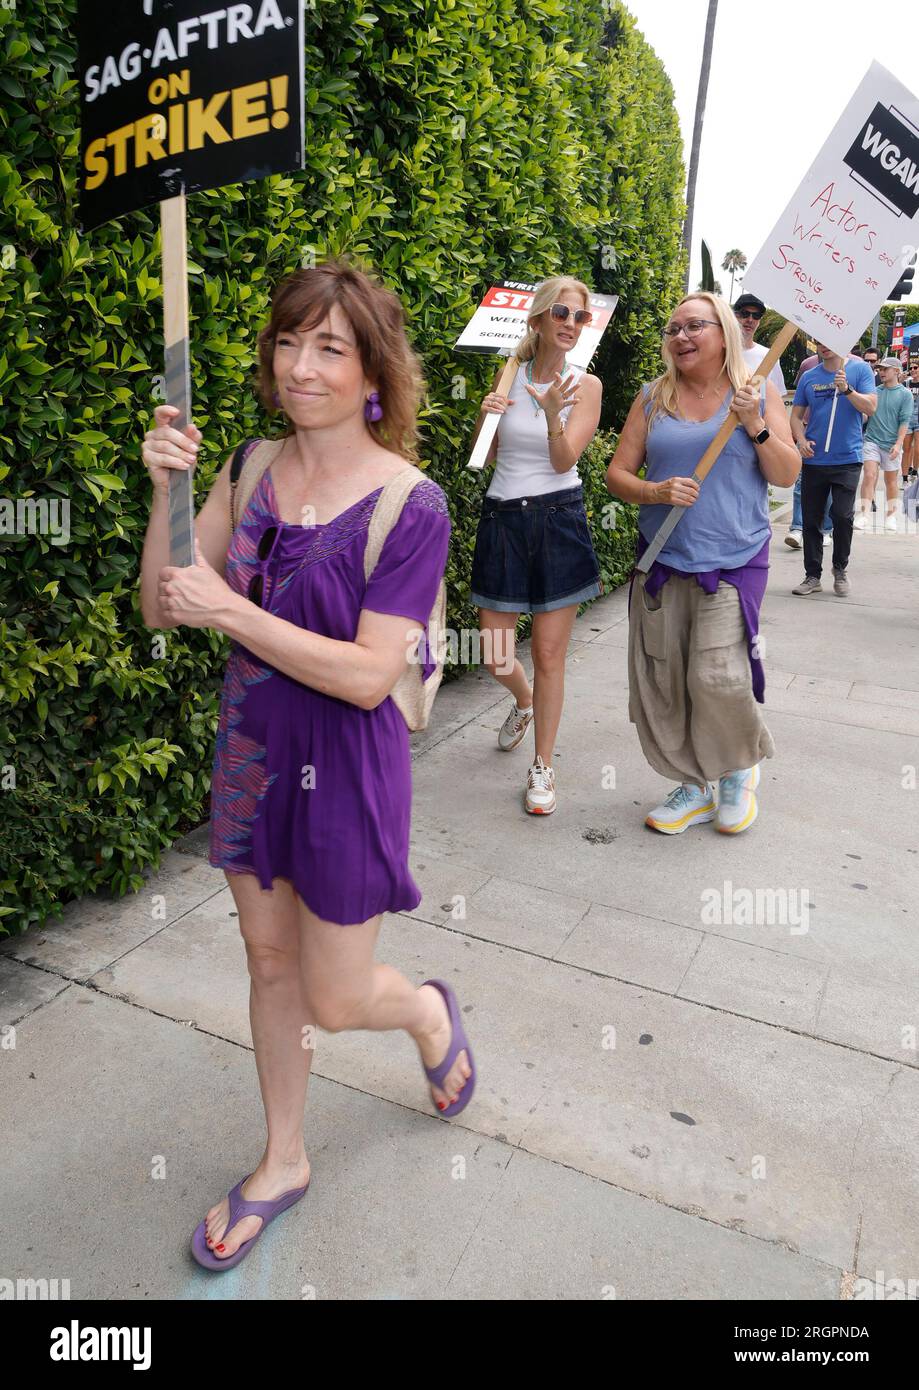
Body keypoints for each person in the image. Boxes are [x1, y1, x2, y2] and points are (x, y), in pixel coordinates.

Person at [140, 259, 474, 1271]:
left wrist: (233, 612)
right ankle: (283, 1157)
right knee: (270, 962)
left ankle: (425, 1012)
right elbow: (162, 603)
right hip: (252, 751)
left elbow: (370, 677)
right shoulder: (246, 468)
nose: (299, 366)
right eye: (287, 342)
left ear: (373, 371)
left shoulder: (412, 504)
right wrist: (165, 494)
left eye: (329, 347)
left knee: (335, 994)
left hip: (348, 765)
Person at [606, 292, 799, 835]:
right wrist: (655, 491)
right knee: (663, 682)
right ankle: (691, 786)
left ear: (724, 332)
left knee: (718, 676)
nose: (681, 336)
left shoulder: (756, 391)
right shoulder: (653, 397)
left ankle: (737, 768)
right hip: (663, 560)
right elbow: (617, 474)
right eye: (672, 329)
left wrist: (754, 423)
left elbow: (786, 473)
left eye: (694, 326)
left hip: (734, 559)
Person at [468, 275, 602, 816]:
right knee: (494, 652)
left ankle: (543, 764)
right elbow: (485, 456)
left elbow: (564, 460)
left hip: (558, 519)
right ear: (540, 318)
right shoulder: (509, 374)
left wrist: (551, 413)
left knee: (548, 655)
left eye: (580, 316)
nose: (571, 324)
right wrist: (486, 415)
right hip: (503, 518)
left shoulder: (585, 386)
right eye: (562, 313)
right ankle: (523, 701)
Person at [790, 343, 876, 596]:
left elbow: (871, 407)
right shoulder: (809, 376)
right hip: (814, 460)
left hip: (848, 458)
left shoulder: (860, 370)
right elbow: (795, 416)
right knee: (811, 520)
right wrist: (801, 441)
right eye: (819, 342)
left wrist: (847, 389)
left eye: (829, 341)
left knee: (842, 516)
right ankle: (812, 576)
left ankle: (840, 568)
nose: (824, 346)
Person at [854, 356, 913, 531]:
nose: (881, 372)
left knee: (891, 481)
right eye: (879, 369)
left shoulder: (905, 394)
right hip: (871, 440)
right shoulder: (874, 392)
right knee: (869, 475)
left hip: (892, 444)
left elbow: (904, 421)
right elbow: (866, 413)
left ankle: (891, 516)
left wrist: (899, 443)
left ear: (896, 371)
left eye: (885, 369)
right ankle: (864, 514)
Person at [733, 292, 786, 397]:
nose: (750, 320)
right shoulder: (718, 352)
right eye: (745, 313)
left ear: (759, 321)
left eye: (756, 316)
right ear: (734, 316)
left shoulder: (769, 356)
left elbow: (777, 398)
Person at [900, 359, 919, 484]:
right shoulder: (906, 384)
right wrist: (899, 381)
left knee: (917, 449)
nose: (912, 370)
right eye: (911, 368)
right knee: (906, 449)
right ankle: (905, 478)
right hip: (907, 419)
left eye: (915, 367)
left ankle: (915, 472)